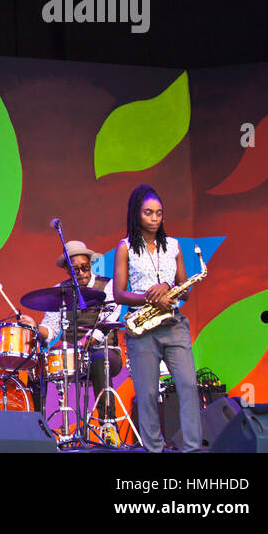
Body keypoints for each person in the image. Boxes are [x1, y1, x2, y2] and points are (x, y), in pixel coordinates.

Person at [112, 185, 202, 452]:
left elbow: (185, 289)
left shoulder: (174, 246)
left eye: (159, 213)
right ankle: (154, 449)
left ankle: (192, 448)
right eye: (148, 213)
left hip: (174, 326)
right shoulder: (125, 247)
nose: (154, 218)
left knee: (188, 386)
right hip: (142, 329)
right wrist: (150, 297)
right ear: (136, 214)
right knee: (148, 394)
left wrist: (167, 288)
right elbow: (119, 293)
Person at [29, 240, 123, 422]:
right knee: (38, 366)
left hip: (104, 351)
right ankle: (37, 427)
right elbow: (51, 328)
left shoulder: (108, 286)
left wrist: (89, 342)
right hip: (71, 355)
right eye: (75, 270)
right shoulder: (60, 291)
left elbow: (110, 318)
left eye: (84, 268)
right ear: (67, 270)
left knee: (99, 361)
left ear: (90, 264)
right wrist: (35, 326)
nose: (81, 273)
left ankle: (108, 425)